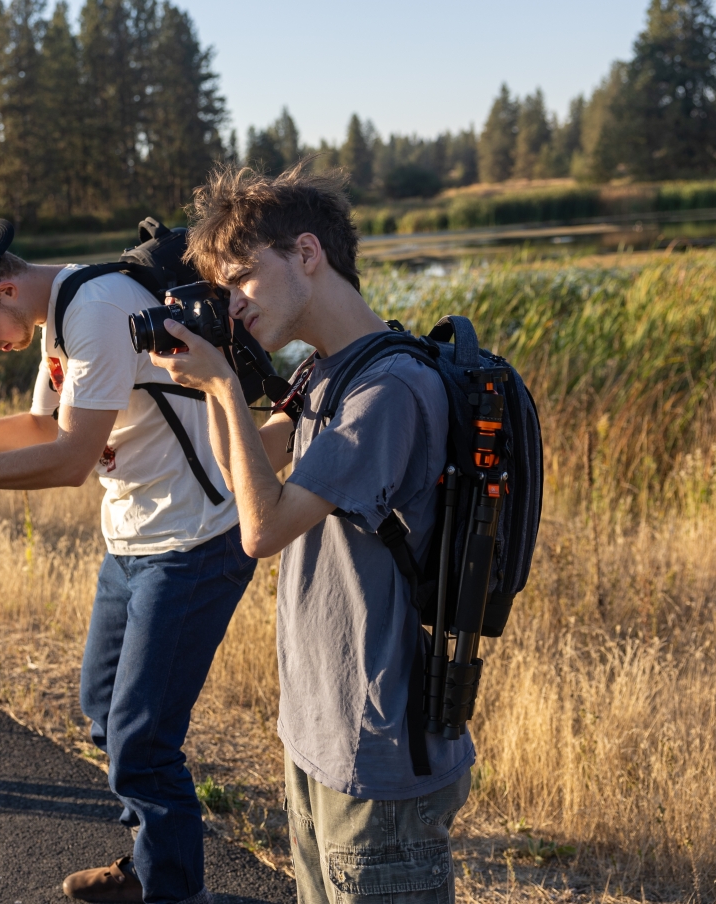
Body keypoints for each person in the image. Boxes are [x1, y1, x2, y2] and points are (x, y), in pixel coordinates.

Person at [0, 220, 255, 904]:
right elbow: (45, 427)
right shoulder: (62, 315)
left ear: (6, 287)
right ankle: (147, 864)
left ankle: (174, 893)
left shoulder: (98, 309)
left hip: (194, 538)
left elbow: (71, 460)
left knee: (143, 741)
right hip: (135, 535)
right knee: (103, 705)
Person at [148, 165, 475, 904]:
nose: (232, 305)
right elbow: (242, 466)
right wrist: (207, 373)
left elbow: (261, 530)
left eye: (241, 282)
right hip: (319, 733)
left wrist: (225, 387)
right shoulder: (327, 374)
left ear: (307, 254)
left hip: (380, 750)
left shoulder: (387, 390)